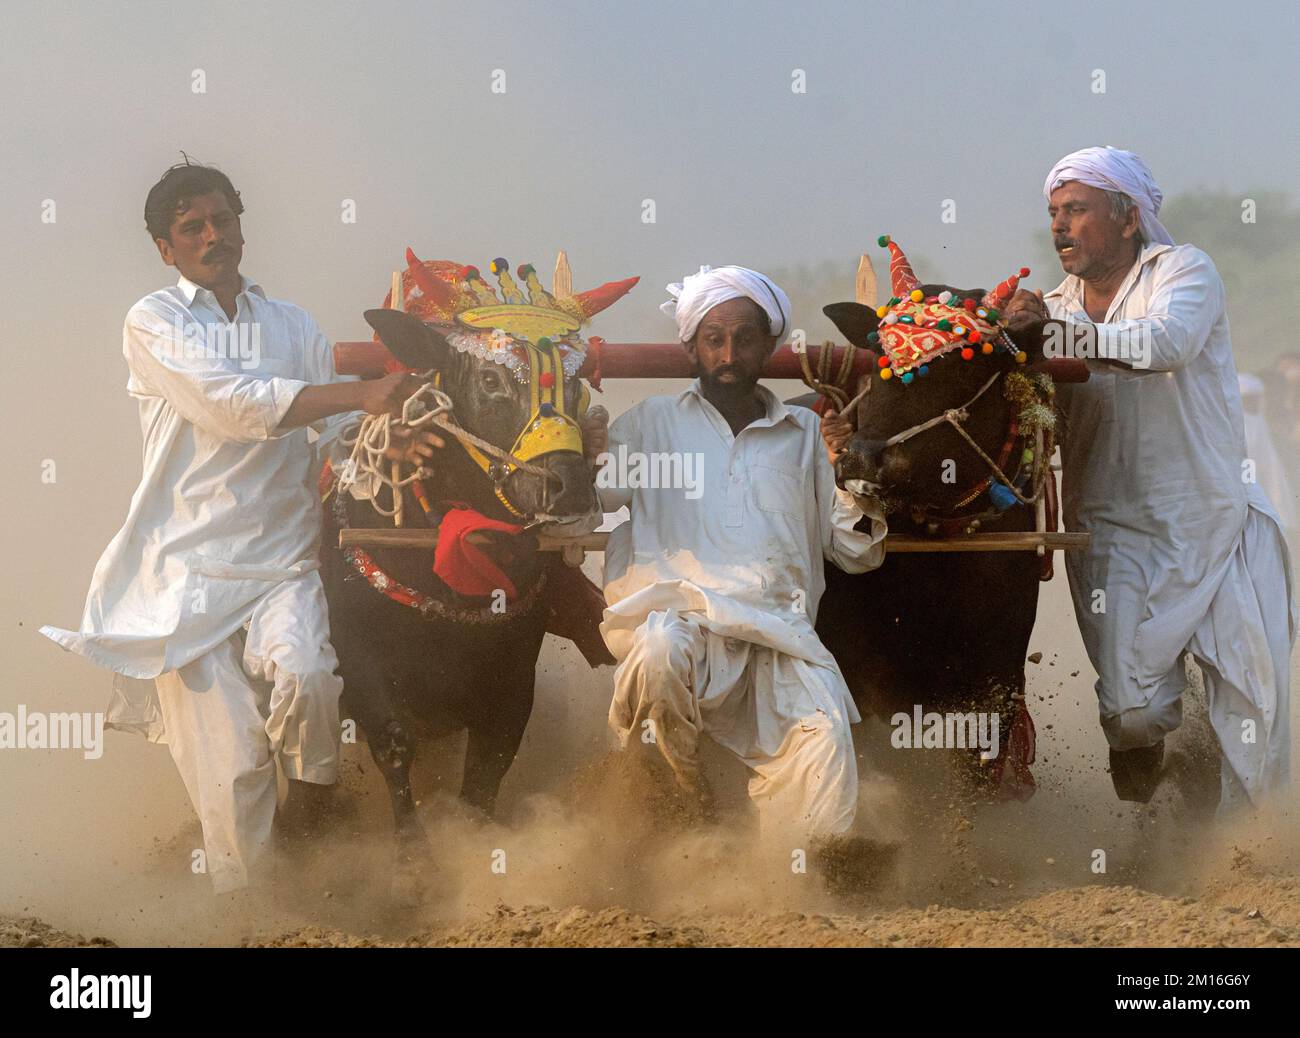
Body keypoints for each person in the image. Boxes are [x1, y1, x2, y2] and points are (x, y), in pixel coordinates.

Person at [40, 160, 441, 892]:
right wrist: (360, 392)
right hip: (184, 576)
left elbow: (331, 443)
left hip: (281, 564)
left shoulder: (293, 325)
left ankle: (315, 815)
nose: (211, 235)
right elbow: (233, 405)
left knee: (312, 682)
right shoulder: (154, 321)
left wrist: (383, 441)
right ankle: (251, 916)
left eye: (222, 218)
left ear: (241, 225)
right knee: (234, 768)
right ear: (166, 248)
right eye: (191, 226)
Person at [1005, 146, 1295, 810]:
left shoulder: (1184, 271)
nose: (1060, 227)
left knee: (1253, 700)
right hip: (1109, 533)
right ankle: (1171, 758)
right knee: (1132, 714)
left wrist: (1055, 336)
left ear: (1129, 216)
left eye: (1076, 209)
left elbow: (1165, 345)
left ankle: (1254, 854)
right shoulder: (1046, 310)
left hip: (1212, 520)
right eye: (1054, 213)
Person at [595, 265, 886, 841]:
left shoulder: (808, 433)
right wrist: (579, 450)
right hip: (680, 626)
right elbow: (585, 506)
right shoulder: (648, 425)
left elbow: (858, 554)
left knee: (826, 763)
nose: (729, 353)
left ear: (770, 345)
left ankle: (811, 876)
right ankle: (683, 802)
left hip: (781, 640)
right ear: (691, 348)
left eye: (745, 338)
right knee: (655, 652)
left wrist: (849, 471)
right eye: (713, 339)